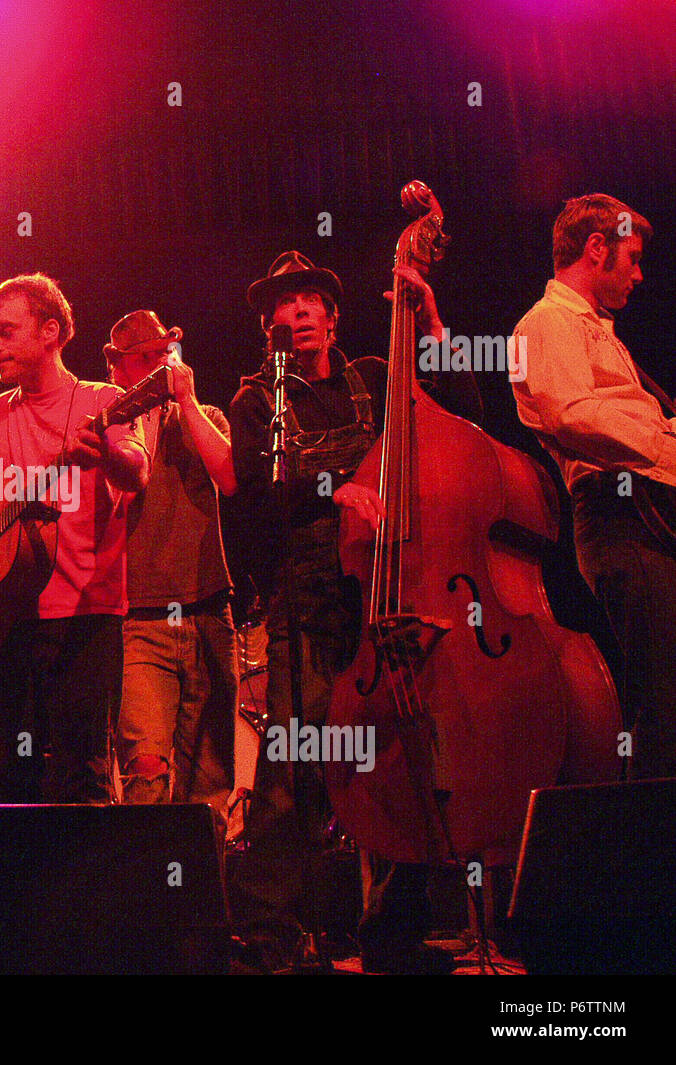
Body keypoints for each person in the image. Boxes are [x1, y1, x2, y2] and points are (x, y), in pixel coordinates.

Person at [228, 251, 482, 974]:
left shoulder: (376, 374)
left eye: (313, 299)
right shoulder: (257, 399)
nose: (301, 310)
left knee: (407, 753)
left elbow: (465, 412)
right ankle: (270, 933)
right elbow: (249, 486)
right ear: (271, 323)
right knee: (296, 765)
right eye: (287, 302)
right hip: (306, 594)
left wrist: (432, 325)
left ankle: (399, 923)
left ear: (334, 317)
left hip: (391, 586)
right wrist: (332, 486)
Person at [0, 273, 149, 803]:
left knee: (82, 774)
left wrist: (107, 454)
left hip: (85, 615)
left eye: (6, 332)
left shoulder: (106, 401)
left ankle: (82, 888)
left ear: (51, 332)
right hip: (0, 616)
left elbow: (136, 474)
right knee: (0, 775)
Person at [510, 193, 670, 776]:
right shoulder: (544, 323)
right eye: (631, 256)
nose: (639, 272)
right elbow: (570, 412)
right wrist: (664, 443)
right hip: (620, 517)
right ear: (596, 248)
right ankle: (651, 852)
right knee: (661, 695)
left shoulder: (604, 333)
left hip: (648, 510)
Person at [103, 310, 237, 815]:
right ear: (119, 367)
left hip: (209, 612)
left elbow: (229, 477)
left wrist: (187, 400)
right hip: (139, 619)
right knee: (145, 773)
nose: (162, 365)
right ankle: (147, 891)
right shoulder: (111, 429)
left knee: (210, 781)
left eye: (166, 354)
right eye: (148, 358)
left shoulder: (207, 418)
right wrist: (141, 415)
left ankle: (203, 892)